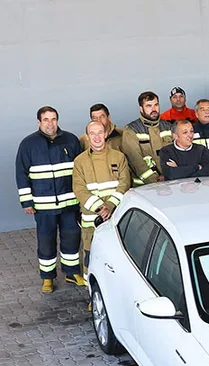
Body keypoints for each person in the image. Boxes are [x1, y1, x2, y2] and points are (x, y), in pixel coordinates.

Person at [16, 106, 84, 292]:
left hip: (70, 203)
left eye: (53, 119)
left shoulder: (70, 140)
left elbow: (80, 170)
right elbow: (21, 174)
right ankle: (47, 278)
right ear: (39, 122)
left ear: (57, 120)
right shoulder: (28, 144)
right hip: (43, 205)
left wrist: (80, 198)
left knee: (72, 238)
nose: (50, 123)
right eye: (46, 119)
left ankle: (72, 273)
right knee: (46, 240)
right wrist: (27, 202)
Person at [71, 121, 131, 275]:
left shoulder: (119, 157)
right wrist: (100, 208)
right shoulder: (79, 161)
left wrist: (110, 205)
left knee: (118, 256)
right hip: (92, 219)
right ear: (87, 137)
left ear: (105, 134)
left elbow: (125, 183)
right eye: (92, 133)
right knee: (90, 256)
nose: (97, 137)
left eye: (100, 133)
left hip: (116, 216)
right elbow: (79, 188)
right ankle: (91, 294)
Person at [122, 91, 174, 185]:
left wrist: (171, 176)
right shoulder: (131, 130)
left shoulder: (168, 126)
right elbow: (136, 161)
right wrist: (155, 181)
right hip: (144, 187)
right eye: (149, 106)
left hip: (170, 182)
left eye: (156, 105)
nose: (154, 109)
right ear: (141, 108)